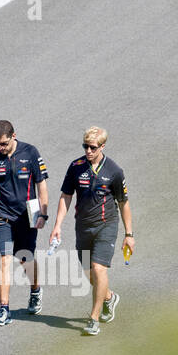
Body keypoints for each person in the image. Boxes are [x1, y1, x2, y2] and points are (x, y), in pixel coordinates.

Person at [50, 126, 134, 336]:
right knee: (90, 274)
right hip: (83, 226)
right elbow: (66, 196)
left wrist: (129, 235)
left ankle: (94, 318)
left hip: (106, 225)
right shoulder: (76, 167)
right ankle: (109, 297)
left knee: (98, 268)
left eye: (92, 147)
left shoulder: (114, 171)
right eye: (85, 146)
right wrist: (57, 225)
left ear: (102, 146)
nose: (88, 151)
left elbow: (123, 202)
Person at [0, 120, 48, 326]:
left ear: (13, 136)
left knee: (25, 257)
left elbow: (41, 184)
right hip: (2, 216)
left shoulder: (30, 152)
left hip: (27, 214)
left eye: (3, 143)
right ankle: (4, 309)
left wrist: (42, 213)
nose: (0, 148)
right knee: (3, 258)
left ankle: (35, 290)